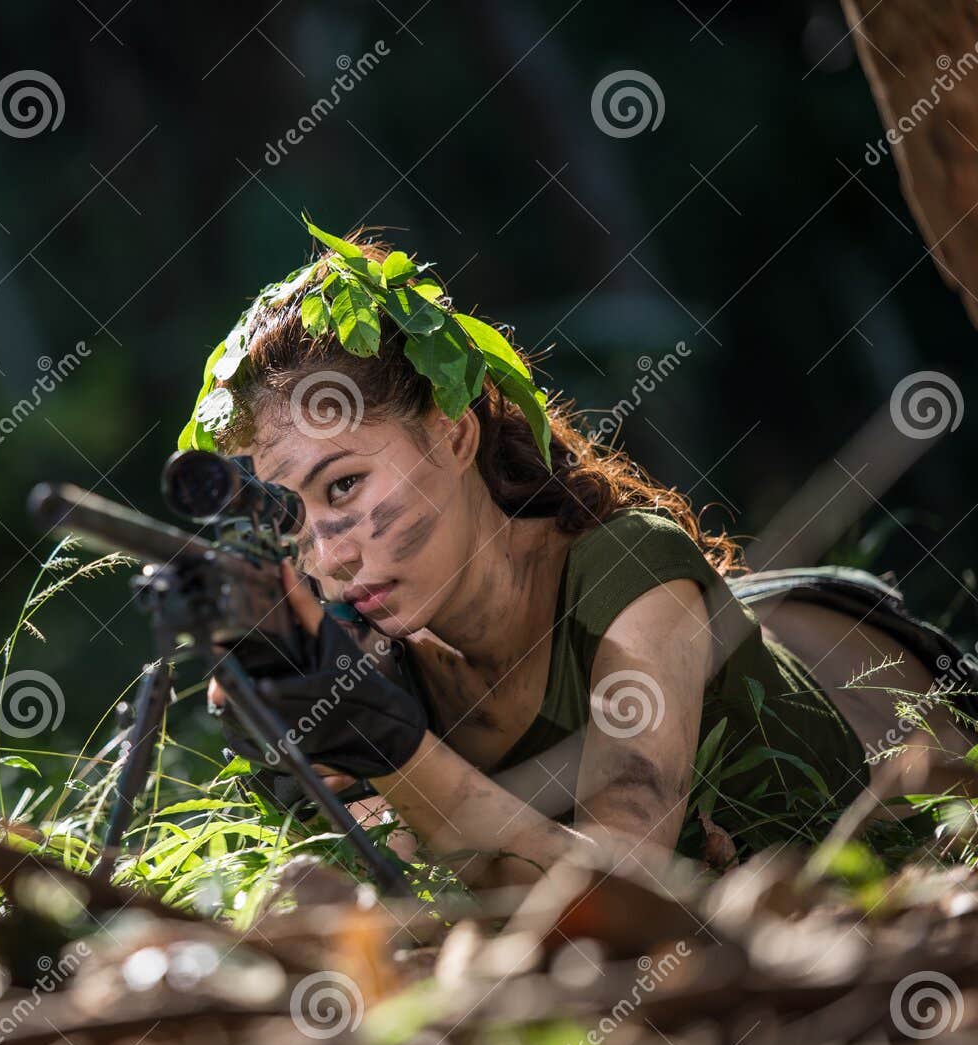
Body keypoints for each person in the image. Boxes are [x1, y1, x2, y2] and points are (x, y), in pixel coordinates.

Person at [195, 224, 975, 889]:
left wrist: (394, 752)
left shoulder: (630, 565)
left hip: (891, 699)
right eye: (292, 519)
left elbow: (623, 884)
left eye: (346, 485)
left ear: (454, 432)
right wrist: (309, 773)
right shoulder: (379, 657)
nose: (327, 557)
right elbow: (443, 883)